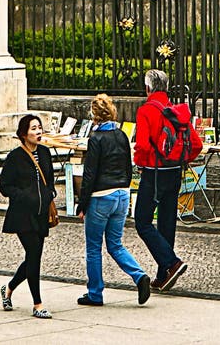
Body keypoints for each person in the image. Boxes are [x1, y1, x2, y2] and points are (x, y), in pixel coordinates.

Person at [76, 94, 151, 307]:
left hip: (101, 195)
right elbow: (128, 166)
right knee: (115, 244)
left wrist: (82, 204)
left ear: (94, 115)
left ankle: (95, 293)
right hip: (121, 193)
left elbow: (90, 174)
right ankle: (139, 275)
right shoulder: (121, 135)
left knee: (93, 247)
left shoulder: (96, 138)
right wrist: (125, 187)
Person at [133, 69, 202, 292]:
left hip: (154, 171)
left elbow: (142, 145)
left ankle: (171, 263)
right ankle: (164, 275)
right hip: (174, 171)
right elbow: (197, 144)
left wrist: (139, 162)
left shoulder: (146, 110)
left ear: (147, 88)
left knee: (142, 221)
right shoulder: (176, 111)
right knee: (167, 221)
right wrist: (181, 159)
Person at [0, 114, 56, 319]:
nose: (38, 132)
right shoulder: (15, 157)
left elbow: (49, 179)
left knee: (33, 257)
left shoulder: (45, 153)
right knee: (33, 254)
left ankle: (9, 288)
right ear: (24, 134)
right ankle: (37, 304)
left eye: (39, 128)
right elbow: (4, 186)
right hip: (22, 214)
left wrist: (50, 194)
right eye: (33, 129)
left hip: (40, 213)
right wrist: (23, 196)